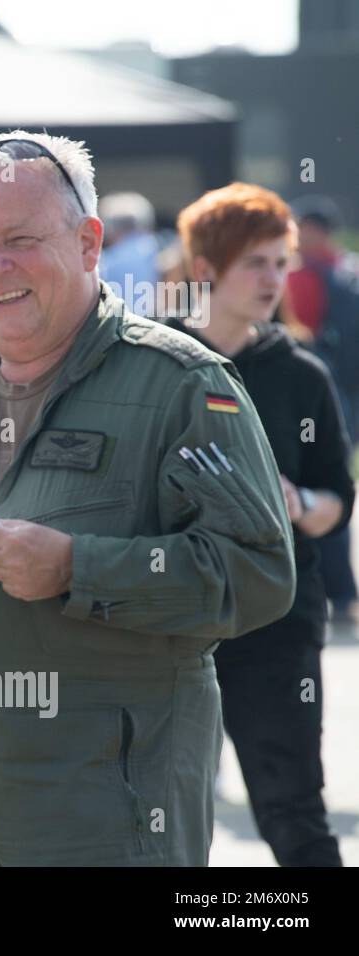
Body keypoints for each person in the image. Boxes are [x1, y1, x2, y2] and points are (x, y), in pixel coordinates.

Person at [0, 131, 296, 866]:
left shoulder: (182, 383)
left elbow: (259, 576)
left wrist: (77, 569)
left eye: (19, 239)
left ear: (89, 243)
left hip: (109, 809)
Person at [172, 183, 352, 866]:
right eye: (257, 262)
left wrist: (296, 502)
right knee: (158, 823)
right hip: (170, 618)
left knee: (295, 818)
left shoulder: (301, 373)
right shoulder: (157, 364)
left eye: (282, 262)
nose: (275, 278)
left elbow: (338, 500)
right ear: (206, 268)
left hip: (277, 624)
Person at [286, 195, 359, 625]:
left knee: (310, 488)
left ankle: (320, 586)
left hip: (312, 394)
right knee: (334, 483)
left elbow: (299, 330)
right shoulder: (348, 269)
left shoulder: (303, 275)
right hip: (346, 395)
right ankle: (344, 593)